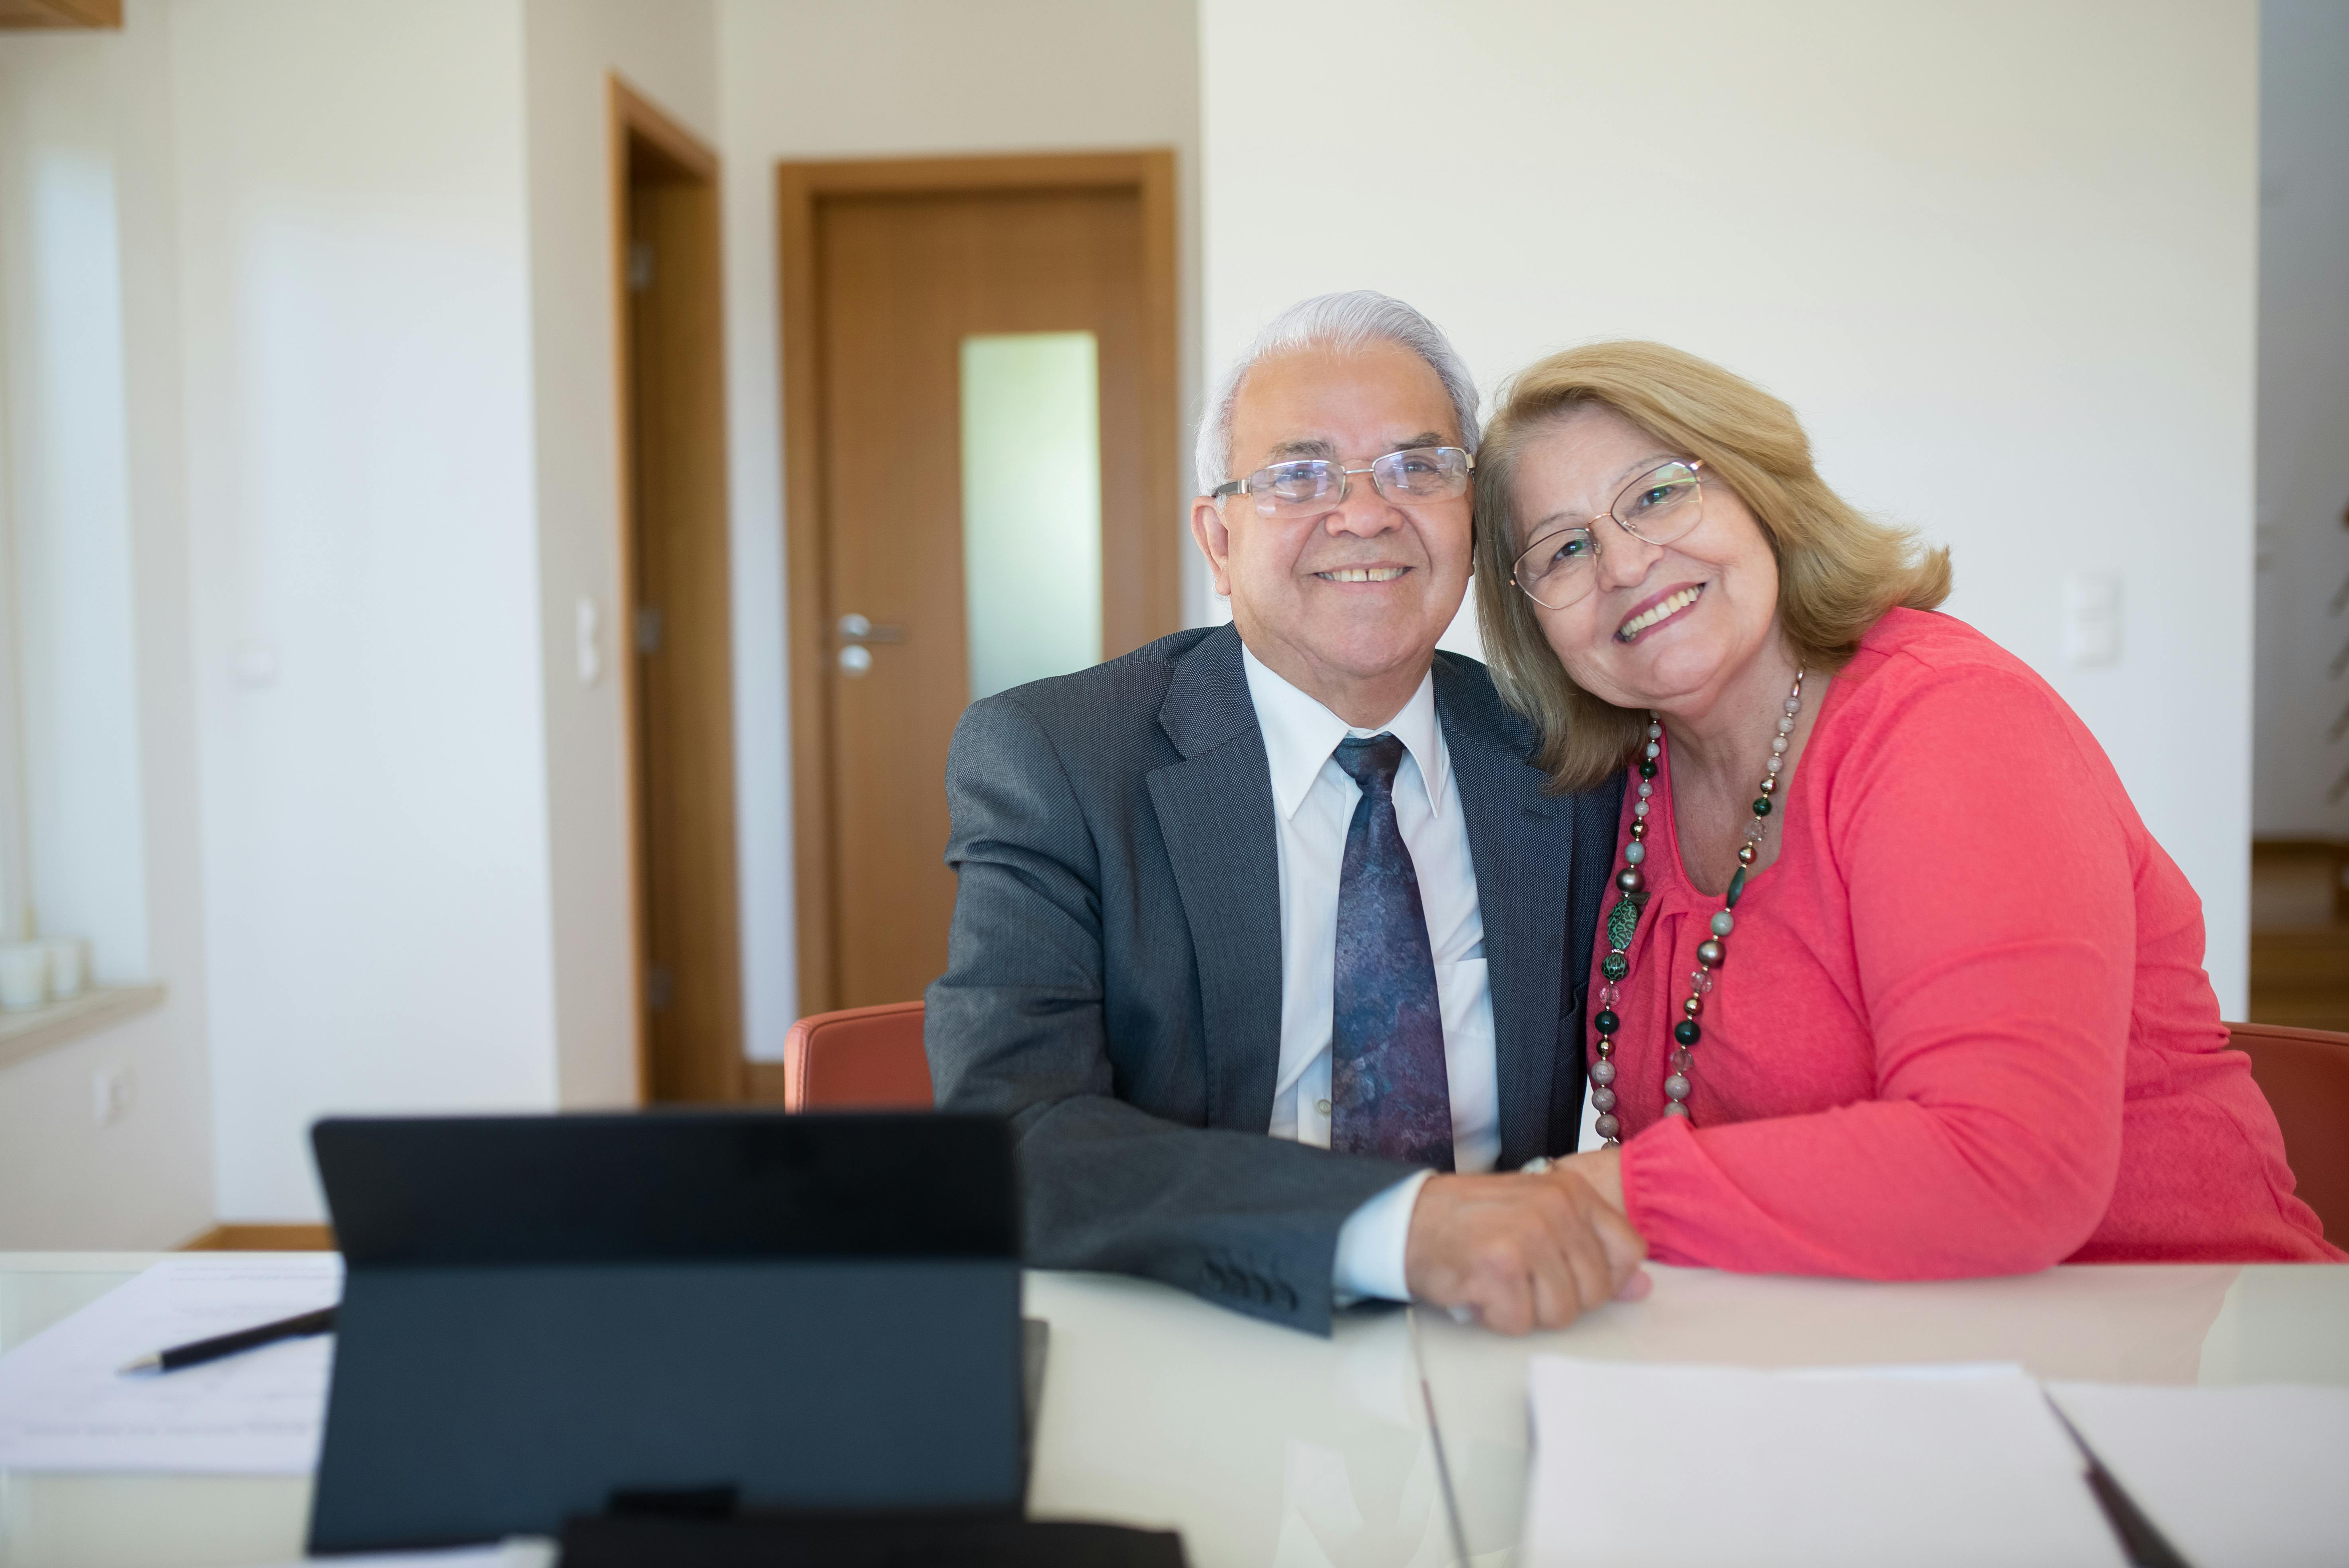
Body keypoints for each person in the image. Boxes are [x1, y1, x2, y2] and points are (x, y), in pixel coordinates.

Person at [1470, 339, 2339, 1272]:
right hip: (1855, 1354)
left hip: (2180, 1344)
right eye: (1565, 548)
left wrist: (1597, 1194)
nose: (1625, 564)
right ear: (1535, 623)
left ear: (1760, 492)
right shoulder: (1629, 787)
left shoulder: (1949, 723)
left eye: (1656, 494)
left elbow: (2010, 1167)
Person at [928, 292, 1646, 1335]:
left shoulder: (1562, 754)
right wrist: (1392, 1228)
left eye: (1416, 467)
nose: (1364, 514)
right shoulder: (1059, 759)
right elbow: (1015, 1135)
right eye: (1298, 476)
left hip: (1502, 1332)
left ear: (1472, 518)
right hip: (1197, 1327)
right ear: (1218, 540)